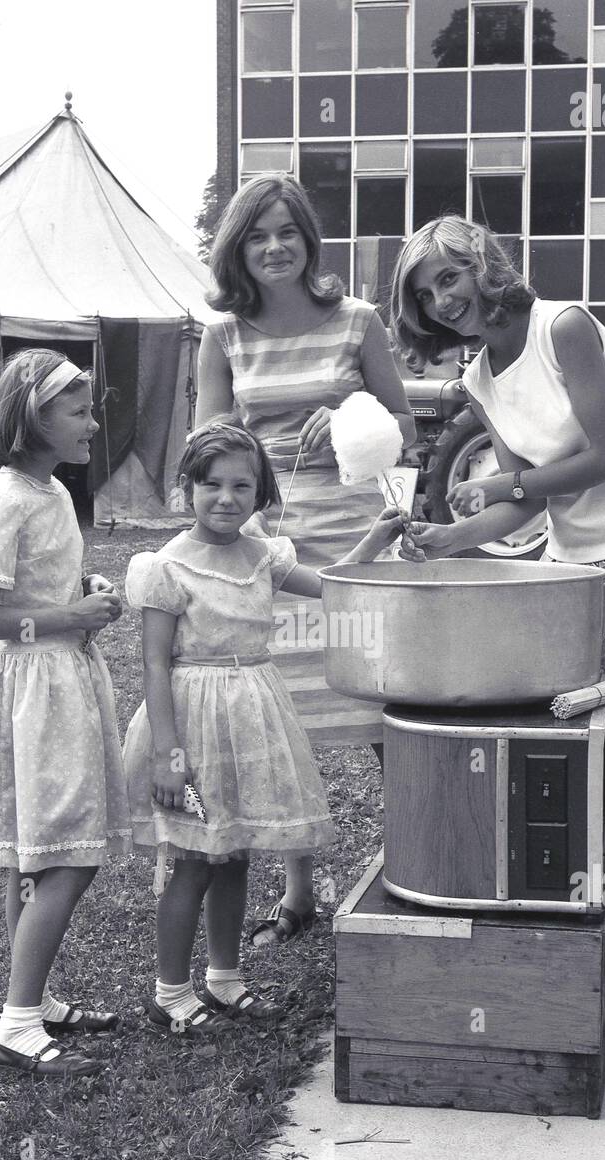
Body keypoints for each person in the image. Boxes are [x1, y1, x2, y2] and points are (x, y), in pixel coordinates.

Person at [391, 217, 605, 828]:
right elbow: (528, 502)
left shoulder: (562, 327)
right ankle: (599, 908)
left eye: (449, 277)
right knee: (581, 735)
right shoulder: (480, 379)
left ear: (483, 264)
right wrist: (450, 539)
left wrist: (499, 484)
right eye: (425, 295)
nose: (442, 301)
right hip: (577, 561)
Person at [120, 422, 404, 1034]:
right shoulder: (163, 567)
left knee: (235, 853)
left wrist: (376, 540)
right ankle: (171, 991)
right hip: (189, 733)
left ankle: (225, 980)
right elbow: (153, 663)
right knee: (194, 857)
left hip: (250, 722)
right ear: (187, 489)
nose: (226, 498)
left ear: (260, 493)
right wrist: (167, 755)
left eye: (241, 486)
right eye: (211, 485)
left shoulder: (263, 557)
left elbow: (335, 588)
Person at [196, 172, 416, 945]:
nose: (275, 247)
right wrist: (259, 453)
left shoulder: (357, 321)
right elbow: (206, 449)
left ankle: (414, 861)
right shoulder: (220, 336)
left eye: (287, 231)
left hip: (361, 536)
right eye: (257, 236)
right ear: (238, 250)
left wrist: (350, 411)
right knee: (281, 716)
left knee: (389, 708)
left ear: (309, 241)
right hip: (273, 544)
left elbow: (405, 428)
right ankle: (298, 891)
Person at [0, 349, 130, 1078]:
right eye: (77, 410)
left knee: (31, 855)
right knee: (69, 856)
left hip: (55, 674)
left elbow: (33, 585)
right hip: (25, 685)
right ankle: (16, 1025)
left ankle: (33, 1000)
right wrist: (67, 614)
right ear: (34, 418)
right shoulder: (8, 494)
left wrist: (81, 592)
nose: (93, 421)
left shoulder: (50, 492)